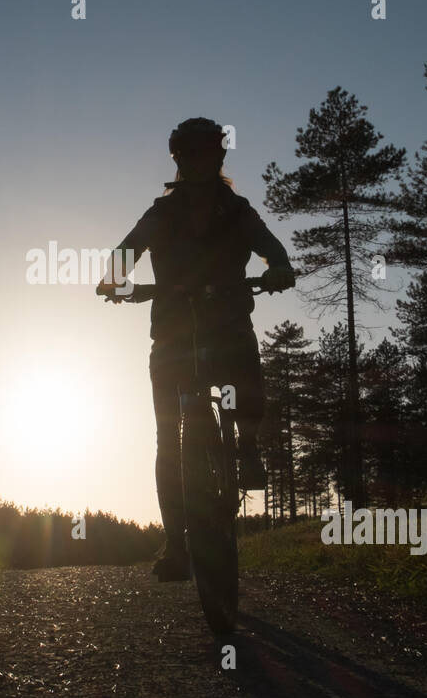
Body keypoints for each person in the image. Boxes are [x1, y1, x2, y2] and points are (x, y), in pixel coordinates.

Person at [97, 117, 296, 581]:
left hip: (226, 323)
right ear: (178, 161)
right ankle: (177, 545)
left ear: (219, 157)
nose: (197, 161)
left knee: (244, 370)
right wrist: (112, 279)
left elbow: (271, 248)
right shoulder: (159, 214)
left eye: (205, 153)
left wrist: (280, 267)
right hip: (171, 333)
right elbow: (127, 250)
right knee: (169, 438)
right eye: (188, 155)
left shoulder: (238, 210)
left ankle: (246, 446)